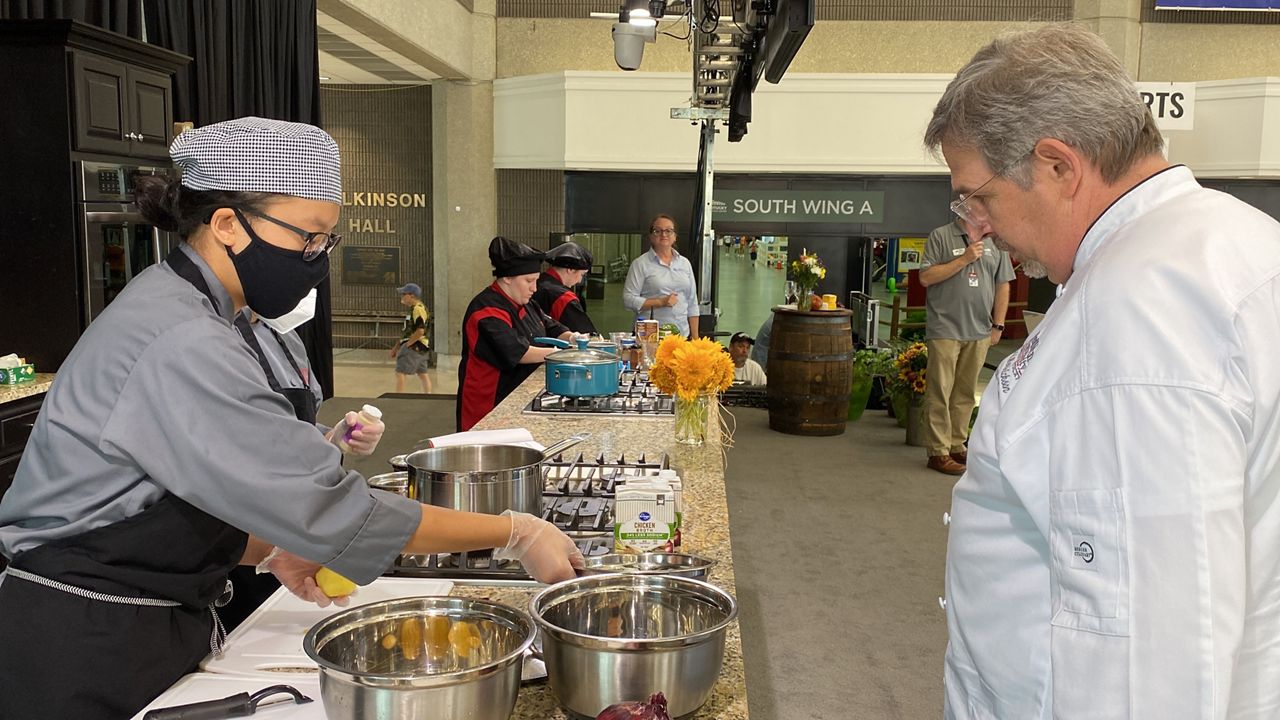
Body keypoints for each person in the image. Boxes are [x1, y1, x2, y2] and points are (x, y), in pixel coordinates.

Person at [0, 117, 583, 719]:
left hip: (138, 617)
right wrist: (516, 531)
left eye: (327, 241)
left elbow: (165, 498)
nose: (318, 259)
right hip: (84, 640)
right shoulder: (181, 336)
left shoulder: (194, 309)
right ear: (227, 224)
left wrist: (271, 548)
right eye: (308, 237)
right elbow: (334, 508)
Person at [926, 24, 1280, 719]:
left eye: (981, 197)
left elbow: (1146, 655)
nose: (980, 226)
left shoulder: (1132, 314)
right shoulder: (1241, 243)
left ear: (1058, 165)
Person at [917, 217, 1014, 476]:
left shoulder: (996, 240)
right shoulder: (941, 235)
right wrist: (964, 259)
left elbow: (1003, 284)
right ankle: (938, 452)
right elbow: (926, 277)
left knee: (966, 392)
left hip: (980, 330)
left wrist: (999, 325)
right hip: (945, 328)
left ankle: (957, 444)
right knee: (940, 390)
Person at [457, 236, 576, 431]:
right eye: (529, 281)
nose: (534, 288)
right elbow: (518, 352)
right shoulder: (486, 310)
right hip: (488, 403)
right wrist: (563, 354)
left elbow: (549, 325)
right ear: (507, 278)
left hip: (515, 393)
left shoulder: (525, 302)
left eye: (536, 281)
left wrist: (572, 337)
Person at [622, 214, 699, 338]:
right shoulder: (640, 264)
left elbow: (692, 303)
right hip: (650, 337)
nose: (664, 234)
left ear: (675, 236)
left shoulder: (685, 263)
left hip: (681, 337)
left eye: (668, 231)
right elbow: (628, 299)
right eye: (657, 231)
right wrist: (660, 302)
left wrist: (695, 339)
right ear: (651, 236)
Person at [533, 241, 597, 334]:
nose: (579, 280)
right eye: (582, 274)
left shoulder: (536, 283)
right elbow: (586, 335)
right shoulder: (563, 297)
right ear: (570, 269)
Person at [390, 282, 433, 393]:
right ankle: (427, 396)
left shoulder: (417, 309)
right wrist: (396, 347)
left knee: (400, 373)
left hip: (414, 346)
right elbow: (408, 331)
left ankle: (398, 398)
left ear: (412, 295)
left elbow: (420, 330)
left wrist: (408, 344)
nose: (402, 297)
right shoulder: (417, 308)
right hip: (422, 346)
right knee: (422, 373)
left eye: (404, 294)